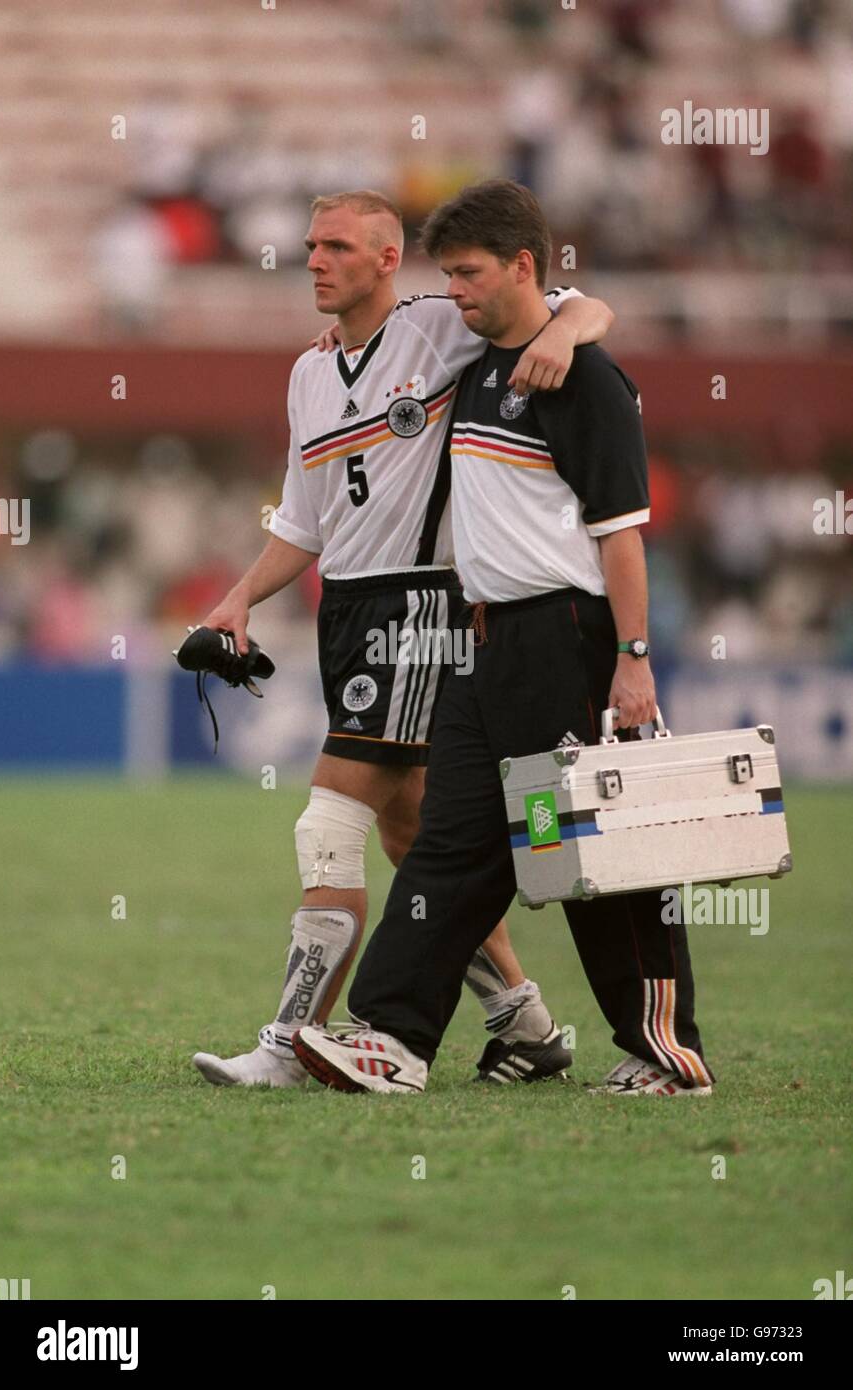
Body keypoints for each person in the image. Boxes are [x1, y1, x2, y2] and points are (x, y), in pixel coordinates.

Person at [292, 180, 716, 1098]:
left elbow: (622, 534)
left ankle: (667, 1054)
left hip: (565, 636)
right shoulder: (481, 367)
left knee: (593, 857)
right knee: (449, 845)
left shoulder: (588, 378)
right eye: (446, 276)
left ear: (525, 266)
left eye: (470, 274)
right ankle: (394, 1041)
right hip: (481, 643)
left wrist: (634, 663)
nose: (455, 293)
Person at [192, 189, 615, 1089]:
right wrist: (239, 598)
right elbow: (303, 523)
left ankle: (287, 1048)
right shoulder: (307, 375)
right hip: (346, 610)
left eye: (337, 246)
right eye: (309, 245)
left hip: (424, 607)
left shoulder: (438, 327)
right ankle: (524, 1021)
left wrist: (563, 333)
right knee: (412, 833)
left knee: (328, 823)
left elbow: (580, 303)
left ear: (389, 260)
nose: (314, 260)